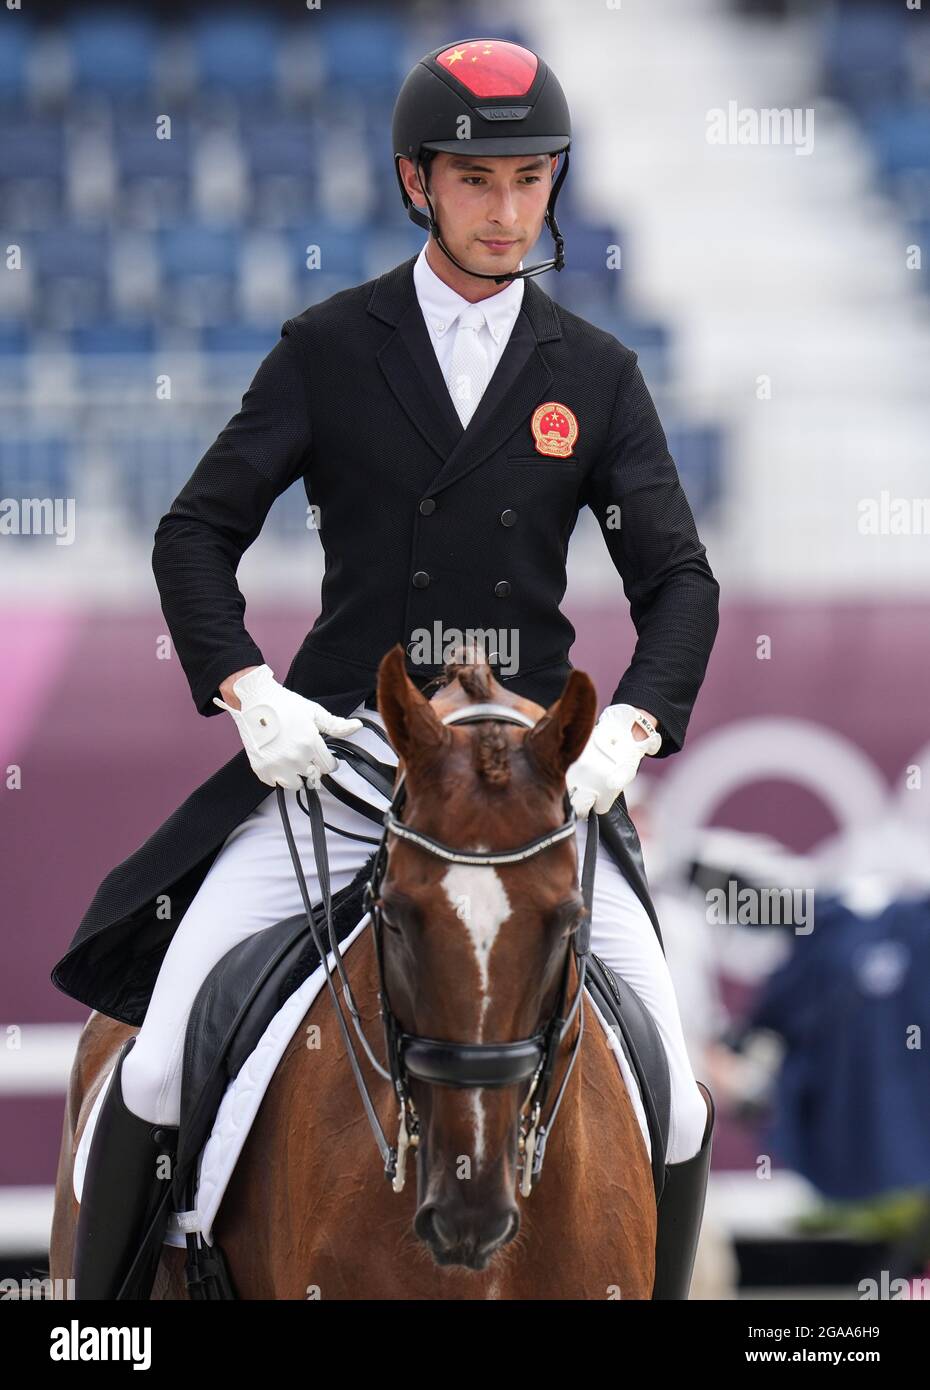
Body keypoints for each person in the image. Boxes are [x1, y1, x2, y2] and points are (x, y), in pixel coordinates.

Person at [57, 37, 719, 1300]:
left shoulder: (597, 375)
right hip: (349, 767)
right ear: (418, 183)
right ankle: (102, 1334)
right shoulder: (330, 348)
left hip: (535, 795)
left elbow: (680, 582)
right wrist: (248, 691)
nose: (509, 209)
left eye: (532, 180)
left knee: (679, 1098)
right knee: (149, 1068)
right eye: (479, 182)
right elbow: (195, 533)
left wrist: (631, 728)